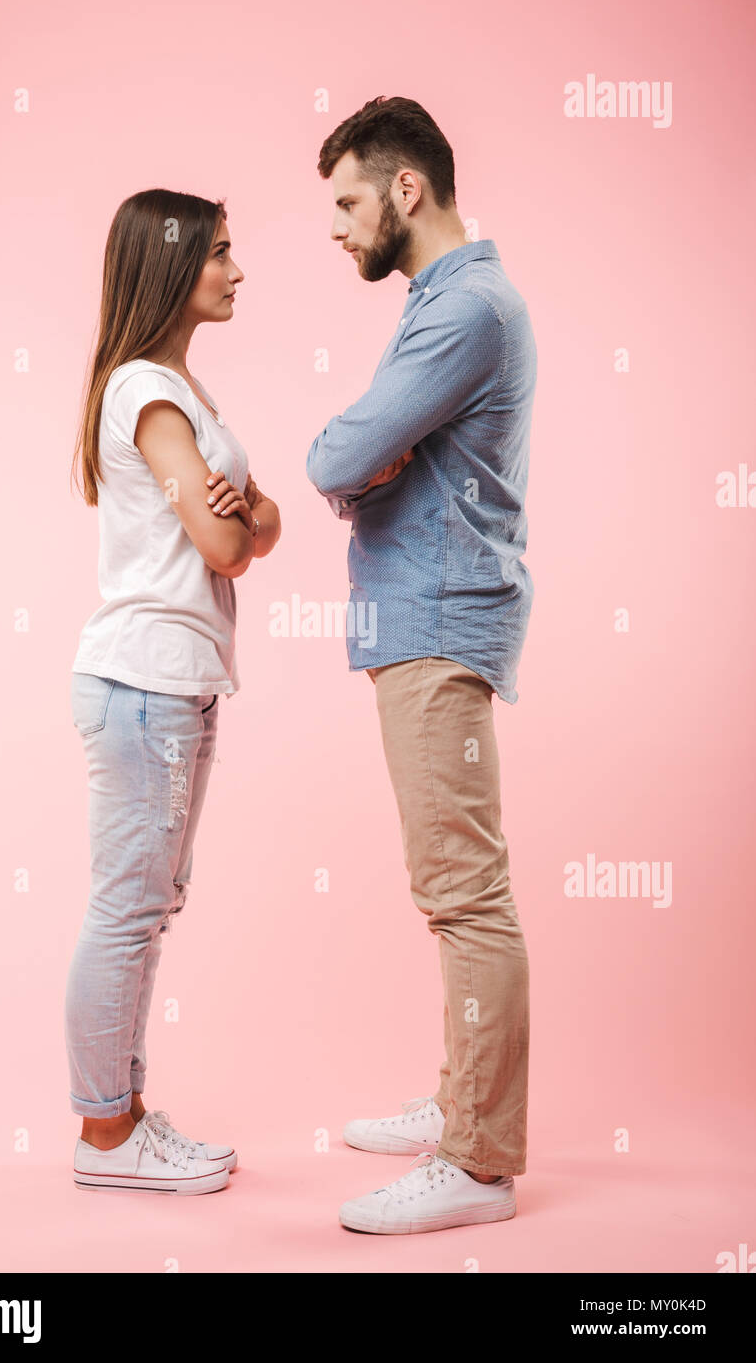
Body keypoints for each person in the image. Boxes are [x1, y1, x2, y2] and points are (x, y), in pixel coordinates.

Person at [306, 96, 537, 1234]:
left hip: (437, 623)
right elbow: (368, 454)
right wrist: (368, 459)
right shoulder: (442, 303)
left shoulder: (465, 313)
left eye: (347, 200)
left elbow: (339, 452)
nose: (336, 226)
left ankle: (478, 1160)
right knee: (447, 889)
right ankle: (460, 1102)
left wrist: (354, 461)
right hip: (420, 621)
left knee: (464, 895)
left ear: (405, 189)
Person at [66, 189, 280, 1194]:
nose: (237, 272)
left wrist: (251, 515)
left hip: (172, 683)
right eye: (221, 254)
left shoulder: (178, 392)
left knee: (147, 905)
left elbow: (259, 521)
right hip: (145, 681)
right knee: (128, 907)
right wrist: (245, 520)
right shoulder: (147, 393)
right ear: (172, 265)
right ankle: (105, 1134)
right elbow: (227, 542)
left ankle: (124, 1116)